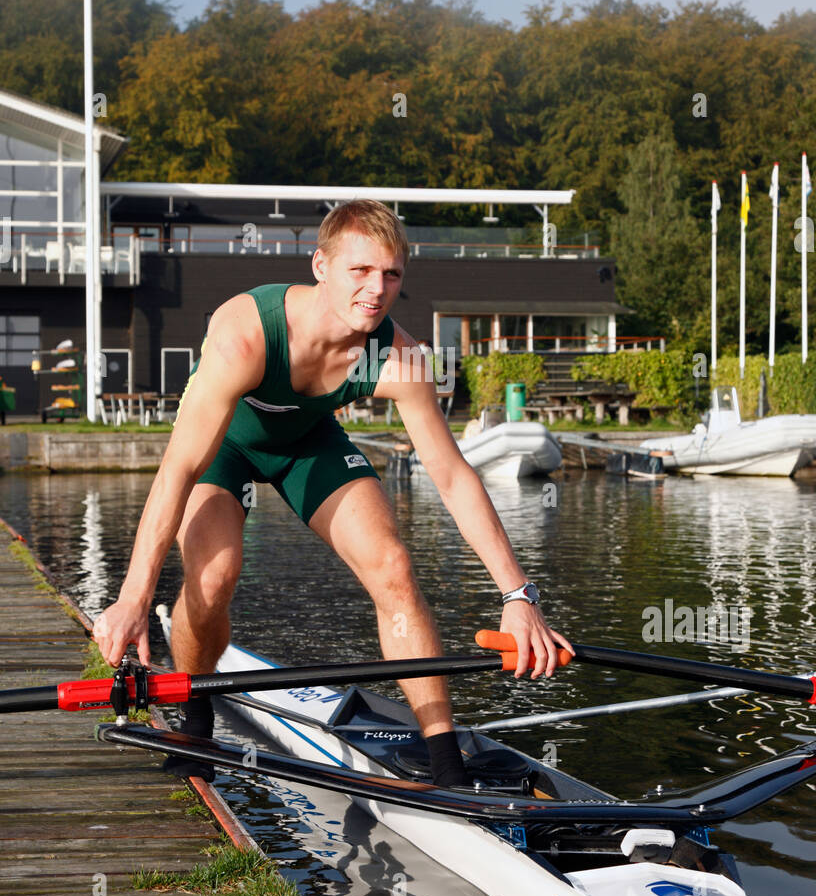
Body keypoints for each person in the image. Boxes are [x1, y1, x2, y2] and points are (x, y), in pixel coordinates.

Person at [93, 199, 573, 785]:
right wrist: (134, 597)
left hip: (307, 441)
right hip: (225, 446)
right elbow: (178, 469)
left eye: (391, 274)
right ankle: (194, 722)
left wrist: (518, 595)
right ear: (321, 265)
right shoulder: (243, 333)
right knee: (215, 576)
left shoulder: (402, 357)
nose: (377, 290)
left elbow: (452, 475)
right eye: (361, 271)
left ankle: (445, 759)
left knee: (393, 565)